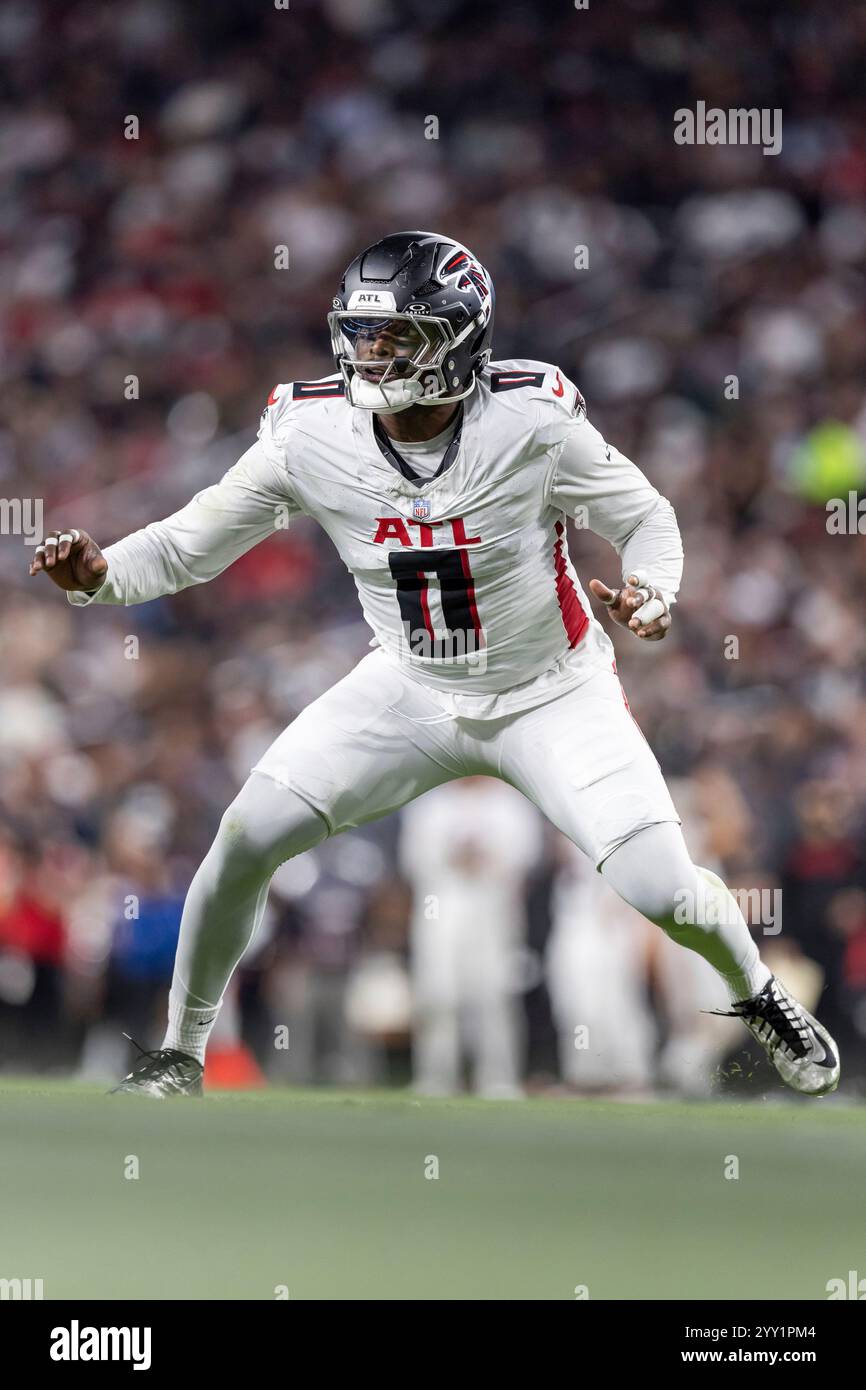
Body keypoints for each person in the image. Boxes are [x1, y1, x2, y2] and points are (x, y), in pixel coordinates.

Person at [29, 230, 839, 1098]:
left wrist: (652, 589)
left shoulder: (530, 422)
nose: (371, 357)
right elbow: (191, 543)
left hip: (551, 692)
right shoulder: (313, 433)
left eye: (397, 338)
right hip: (410, 685)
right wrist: (102, 577)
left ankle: (758, 993)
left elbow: (648, 517)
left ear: (459, 338)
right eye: (362, 335)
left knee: (663, 890)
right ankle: (182, 1056)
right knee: (242, 840)